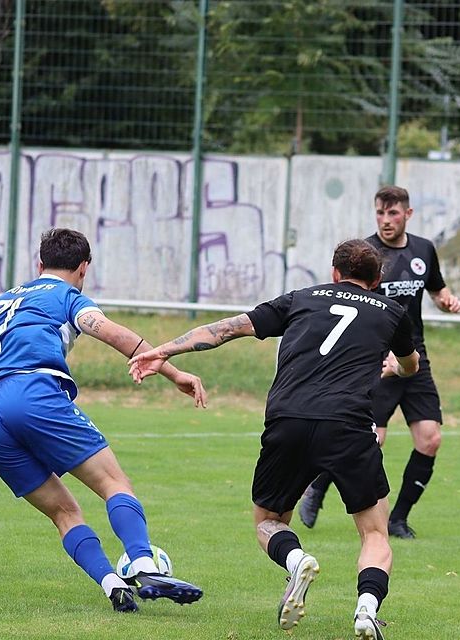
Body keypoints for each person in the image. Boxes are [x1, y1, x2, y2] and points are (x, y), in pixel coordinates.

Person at [129, 239, 420, 639]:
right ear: (377, 279)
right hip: (348, 425)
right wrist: (394, 368)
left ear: (334, 273)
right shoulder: (392, 311)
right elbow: (410, 365)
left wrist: (162, 351)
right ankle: (366, 609)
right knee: (373, 532)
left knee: (268, 521)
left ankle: (296, 559)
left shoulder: (300, 299)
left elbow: (225, 330)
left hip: (288, 420)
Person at [0, 228, 207, 613]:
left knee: (63, 512)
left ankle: (110, 584)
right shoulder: (68, 296)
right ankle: (142, 563)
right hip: (32, 392)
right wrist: (175, 373)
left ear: (39, 264)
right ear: (83, 268)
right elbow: (114, 334)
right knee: (113, 482)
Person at [299, 185, 460, 539]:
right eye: (379, 213)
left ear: (408, 214)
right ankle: (318, 487)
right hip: (375, 359)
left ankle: (398, 518)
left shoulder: (424, 250)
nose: (385, 220)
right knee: (370, 438)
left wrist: (448, 300)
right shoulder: (367, 256)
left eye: (392, 213)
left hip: (414, 358)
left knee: (430, 439)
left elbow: (436, 289)